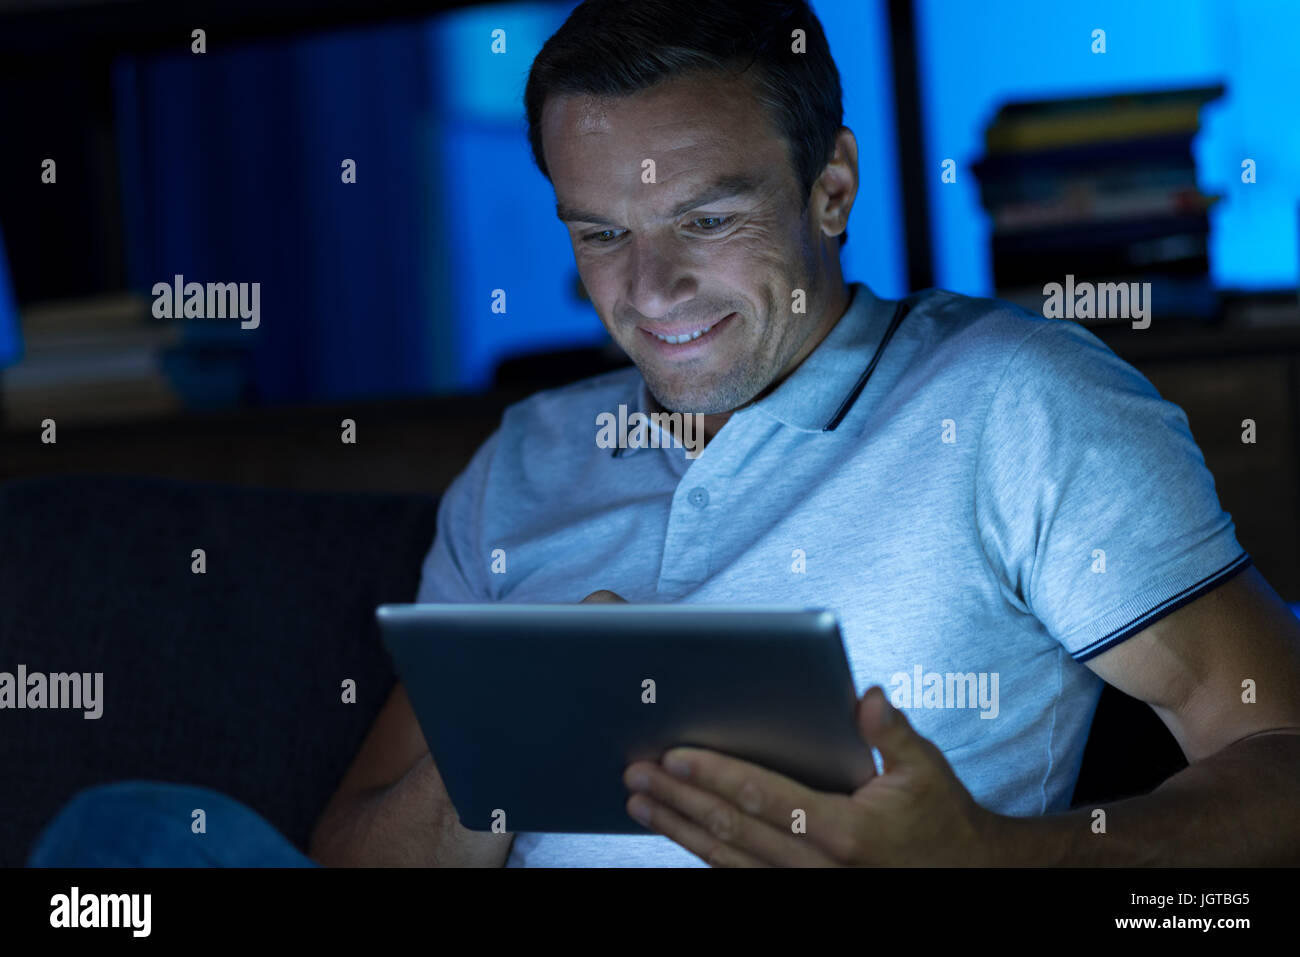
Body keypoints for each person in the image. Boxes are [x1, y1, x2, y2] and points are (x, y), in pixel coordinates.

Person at [31, 0, 1300, 869]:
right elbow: (350, 854)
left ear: (833, 188)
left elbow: (1279, 749)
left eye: (705, 222)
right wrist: (505, 753)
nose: (647, 292)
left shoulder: (1018, 398)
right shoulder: (524, 458)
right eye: (600, 234)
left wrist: (986, 863)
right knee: (129, 837)